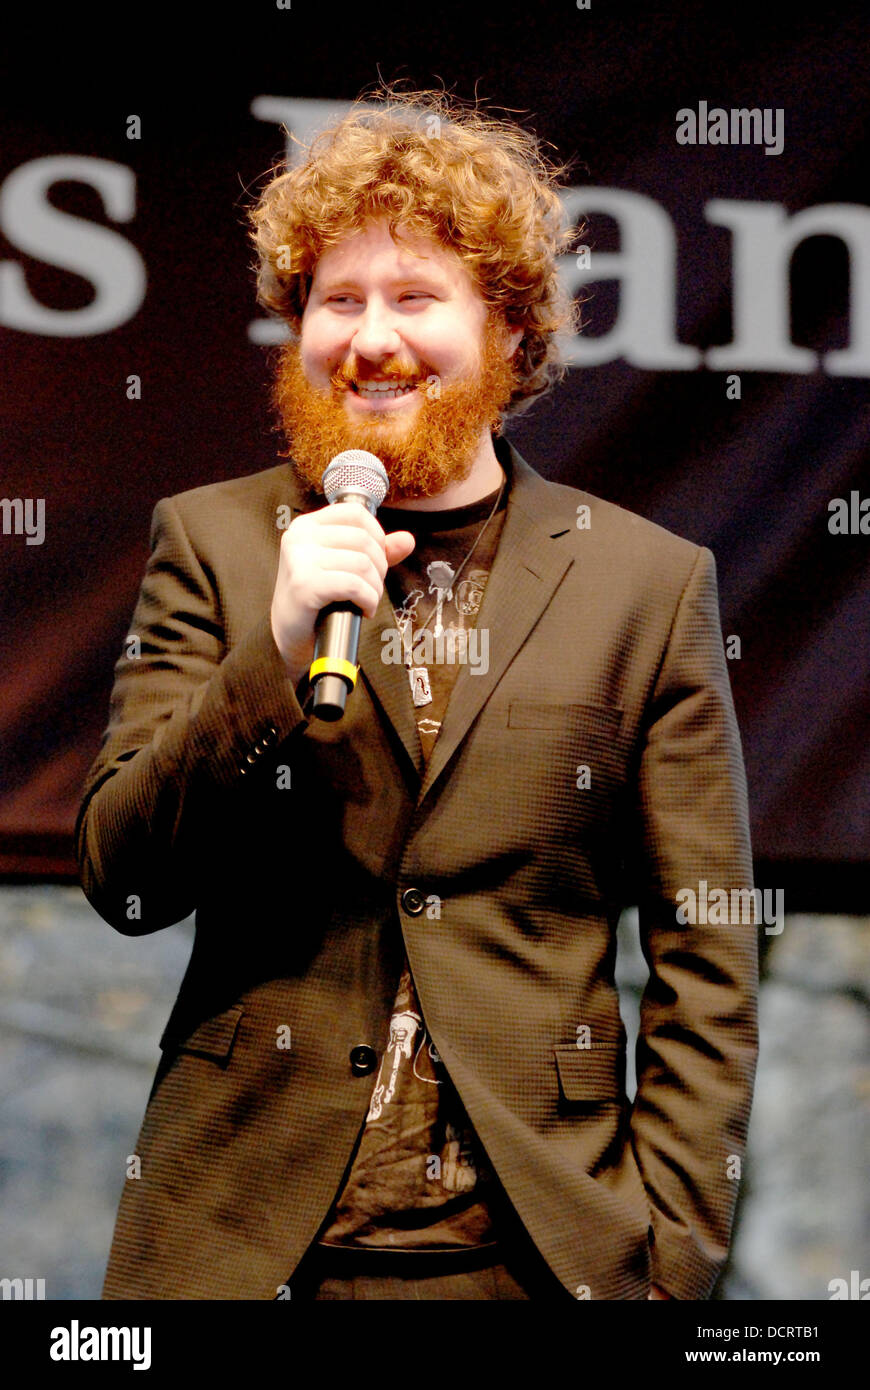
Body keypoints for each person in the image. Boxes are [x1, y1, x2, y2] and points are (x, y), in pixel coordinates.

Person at [75, 84, 758, 1301]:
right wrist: (271, 656)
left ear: (503, 326)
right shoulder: (215, 542)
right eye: (337, 300)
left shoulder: (648, 582)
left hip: (534, 1254)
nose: (371, 338)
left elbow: (707, 952)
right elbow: (124, 878)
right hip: (236, 1244)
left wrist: (671, 1264)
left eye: (415, 298)